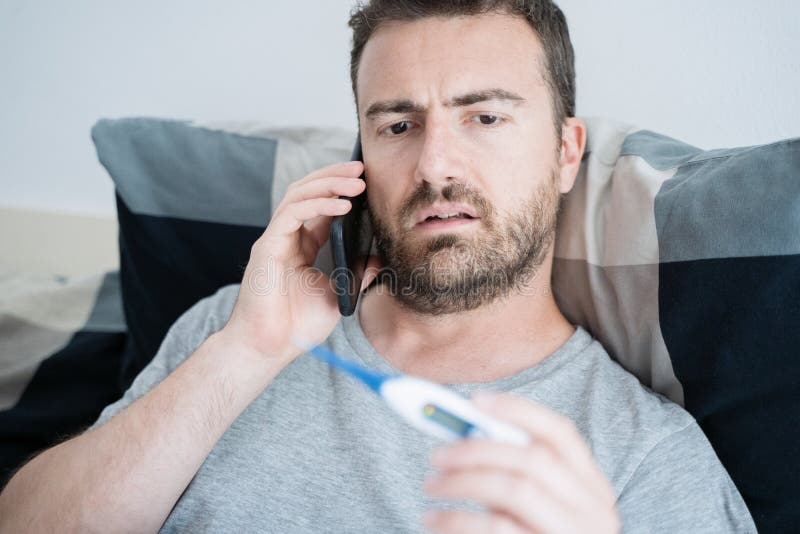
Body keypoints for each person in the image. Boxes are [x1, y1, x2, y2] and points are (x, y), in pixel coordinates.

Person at [0, 1, 756, 532]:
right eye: (397, 124)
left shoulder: (646, 455)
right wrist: (246, 351)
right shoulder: (232, 329)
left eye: (485, 117)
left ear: (565, 150)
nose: (434, 166)